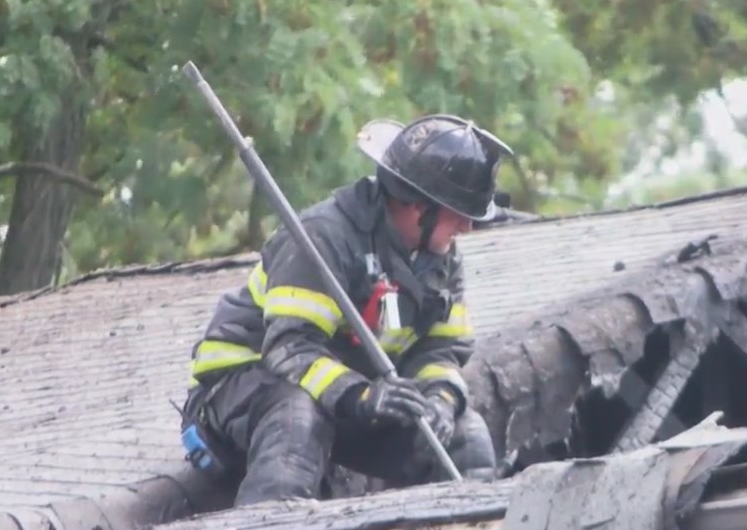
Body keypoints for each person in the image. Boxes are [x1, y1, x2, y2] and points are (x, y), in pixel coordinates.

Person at [179, 114, 506, 506]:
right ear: (420, 206)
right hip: (246, 384)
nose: (467, 228)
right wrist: (360, 396)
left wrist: (441, 399)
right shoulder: (323, 238)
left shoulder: (442, 261)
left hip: (348, 396)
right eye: (459, 214)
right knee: (297, 417)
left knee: (465, 436)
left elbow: (441, 351)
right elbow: (290, 349)